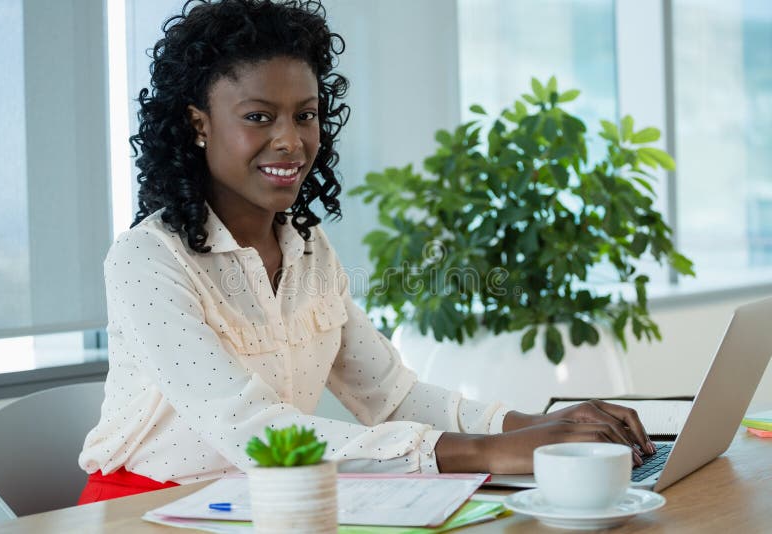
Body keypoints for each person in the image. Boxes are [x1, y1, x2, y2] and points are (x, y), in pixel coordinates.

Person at [78, 0, 655, 504]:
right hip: (151, 509)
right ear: (198, 125)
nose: (291, 140)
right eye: (259, 117)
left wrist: (536, 425)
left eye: (306, 115)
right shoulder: (146, 260)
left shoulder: (308, 248)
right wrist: (491, 451)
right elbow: (255, 431)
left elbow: (390, 393)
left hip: (272, 500)